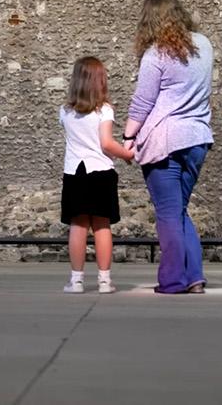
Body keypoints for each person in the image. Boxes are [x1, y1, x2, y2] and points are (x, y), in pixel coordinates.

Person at [123, 0, 214, 294]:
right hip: (198, 139)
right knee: (179, 210)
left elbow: (142, 103)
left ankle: (173, 280)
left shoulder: (155, 54)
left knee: (167, 214)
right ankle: (195, 277)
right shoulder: (204, 45)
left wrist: (127, 137)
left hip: (164, 141)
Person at [60, 56, 134, 294]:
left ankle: (77, 280)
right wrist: (127, 154)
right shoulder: (105, 110)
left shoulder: (65, 111)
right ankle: (104, 281)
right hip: (101, 171)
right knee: (102, 226)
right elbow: (106, 144)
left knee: (78, 226)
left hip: (74, 172)